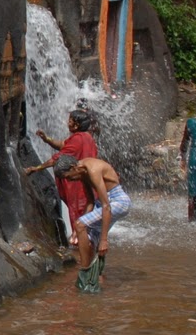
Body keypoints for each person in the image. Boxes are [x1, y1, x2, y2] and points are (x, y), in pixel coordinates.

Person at [52, 153, 130, 293]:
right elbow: (90, 202)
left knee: (82, 224)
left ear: (73, 167)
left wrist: (104, 240)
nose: (69, 181)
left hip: (118, 201)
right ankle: (97, 276)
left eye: (68, 177)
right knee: (89, 238)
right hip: (104, 205)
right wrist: (77, 231)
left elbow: (107, 206)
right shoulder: (82, 171)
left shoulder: (93, 170)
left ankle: (85, 271)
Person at [25, 109, 98, 244]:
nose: (67, 122)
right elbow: (63, 145)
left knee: (78, 214)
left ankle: (81, 245)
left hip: (77, 185)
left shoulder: (78, 139)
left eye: (70, 120)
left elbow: (57, 159)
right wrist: (47, 139)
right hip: (86, 182)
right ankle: (86, 243)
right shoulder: (86, 137)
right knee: (85, 214)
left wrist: (36, 168)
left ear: (76, 125)